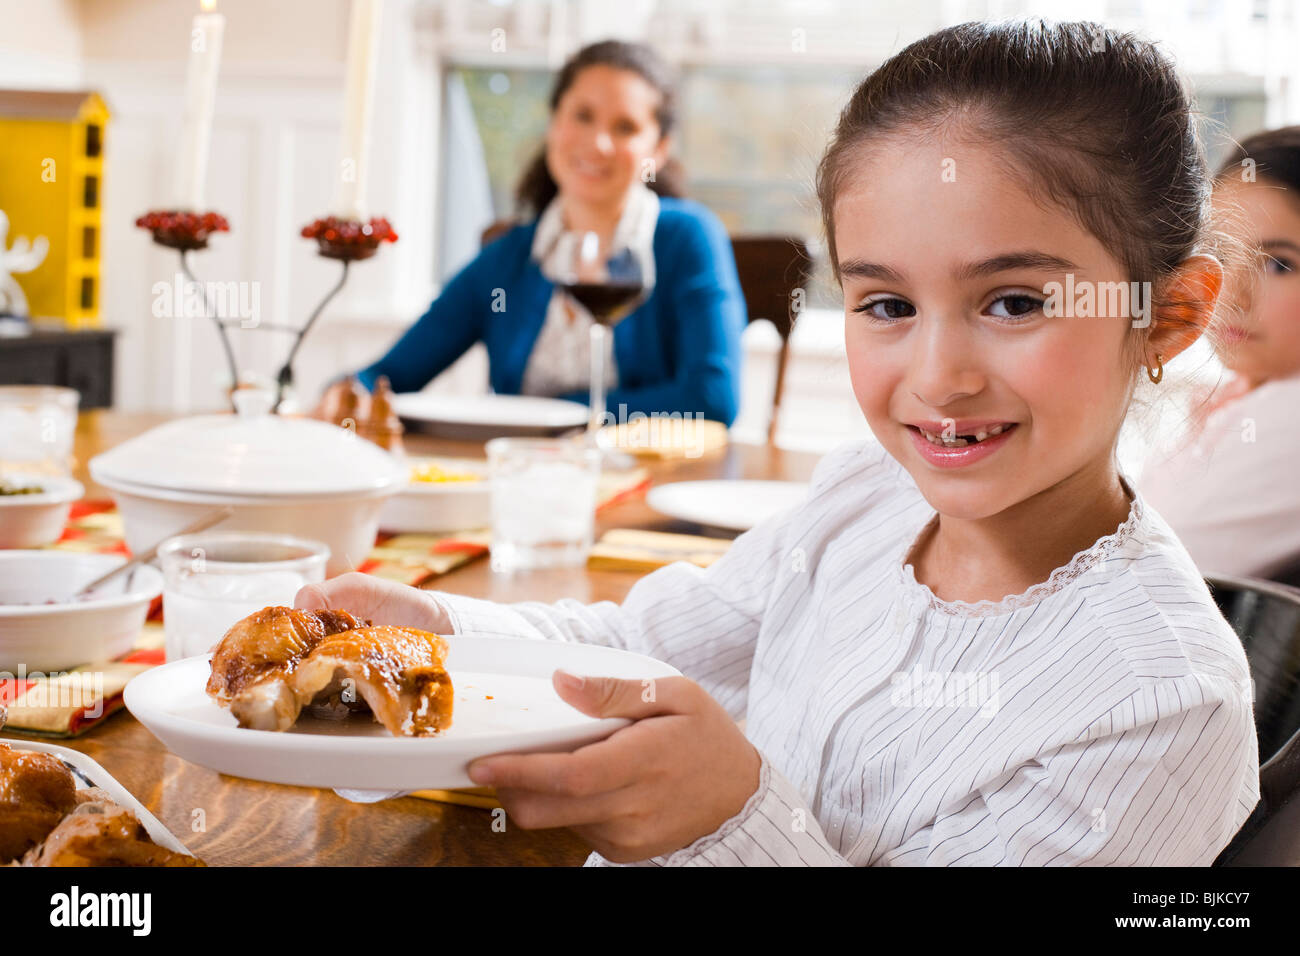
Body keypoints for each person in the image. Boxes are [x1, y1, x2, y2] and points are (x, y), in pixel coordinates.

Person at [298, 20, 1259, 866]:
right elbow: (639, 647)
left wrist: (728, 820)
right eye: (886, 304)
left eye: (1013, 302)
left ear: (1170, 313)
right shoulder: (867, 498)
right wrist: (441, 631)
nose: (936, 376)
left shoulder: (1160, 706)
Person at [344, 40, 746, 426]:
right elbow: (389, 376)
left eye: (625, 127)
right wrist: (348, 395)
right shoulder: (507, 259)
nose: (598, 143)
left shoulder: (688, 238)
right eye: (583, 116)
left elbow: (710, 400)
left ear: (658, 149)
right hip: (522, 481)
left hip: (649, 487)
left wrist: (554, 416)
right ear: (554, 121)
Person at [1139, 126, 1300, 580]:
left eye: (1279, 264)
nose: (1232, 295)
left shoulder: (1290, 414)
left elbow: (1144, 570)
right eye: (1221, 255)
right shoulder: (1240, 398)